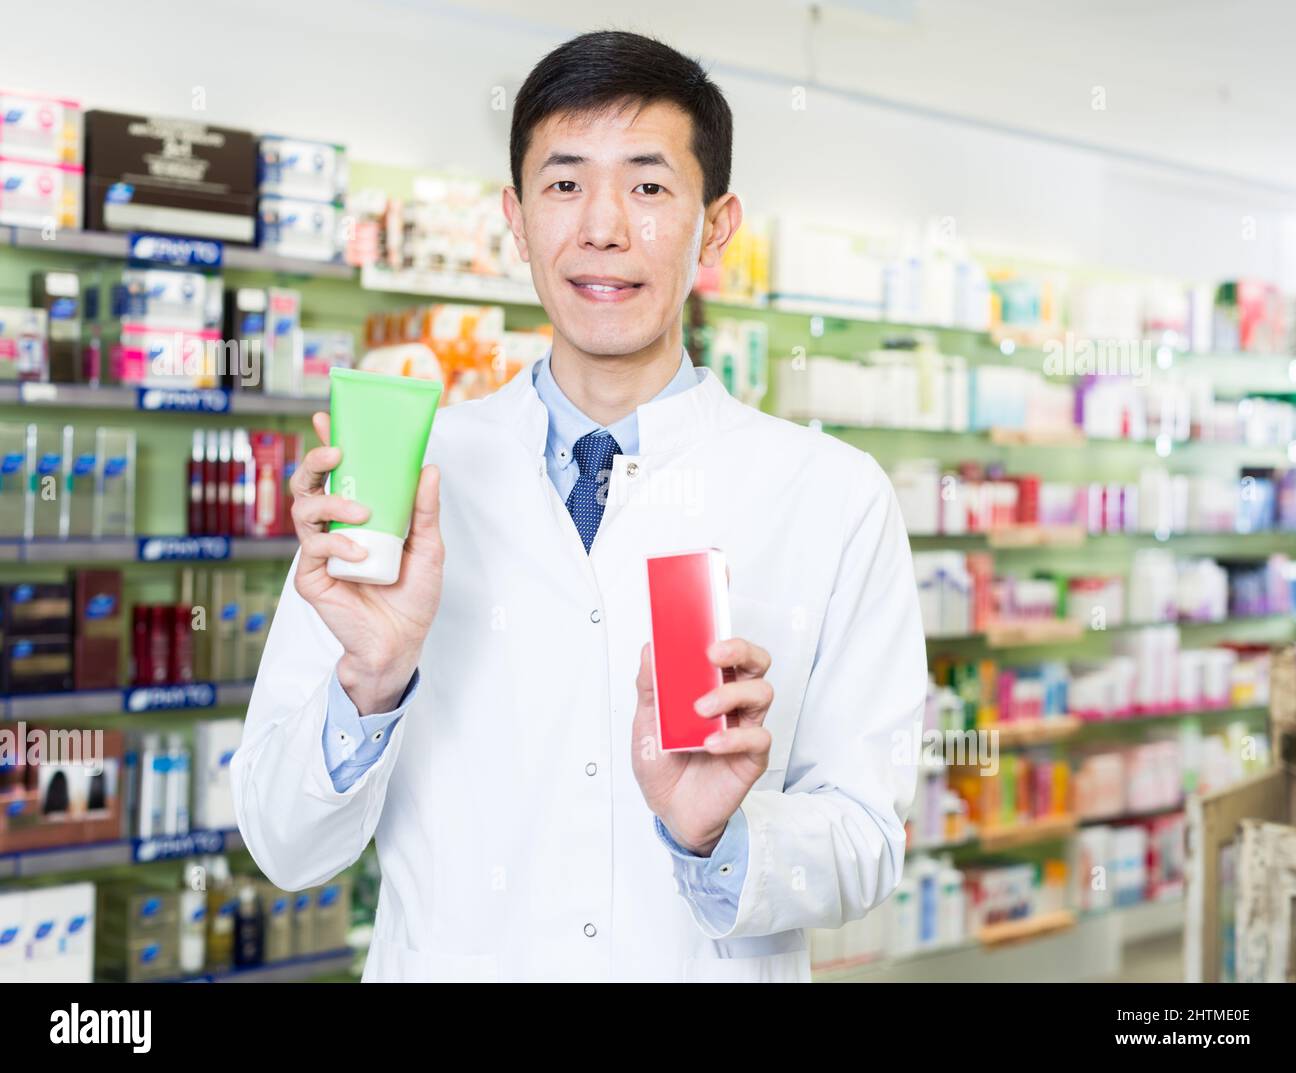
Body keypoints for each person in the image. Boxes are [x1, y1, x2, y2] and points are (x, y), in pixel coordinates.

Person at [231, 28, 927, 983]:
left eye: (648, 185)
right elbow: (283, 842)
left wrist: (718, 836)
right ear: (515, 220)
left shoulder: (834, 495)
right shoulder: (401, 474)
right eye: (565, 183)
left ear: (716, 225)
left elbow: (867, 837)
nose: (603, 227)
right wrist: (373, 681)